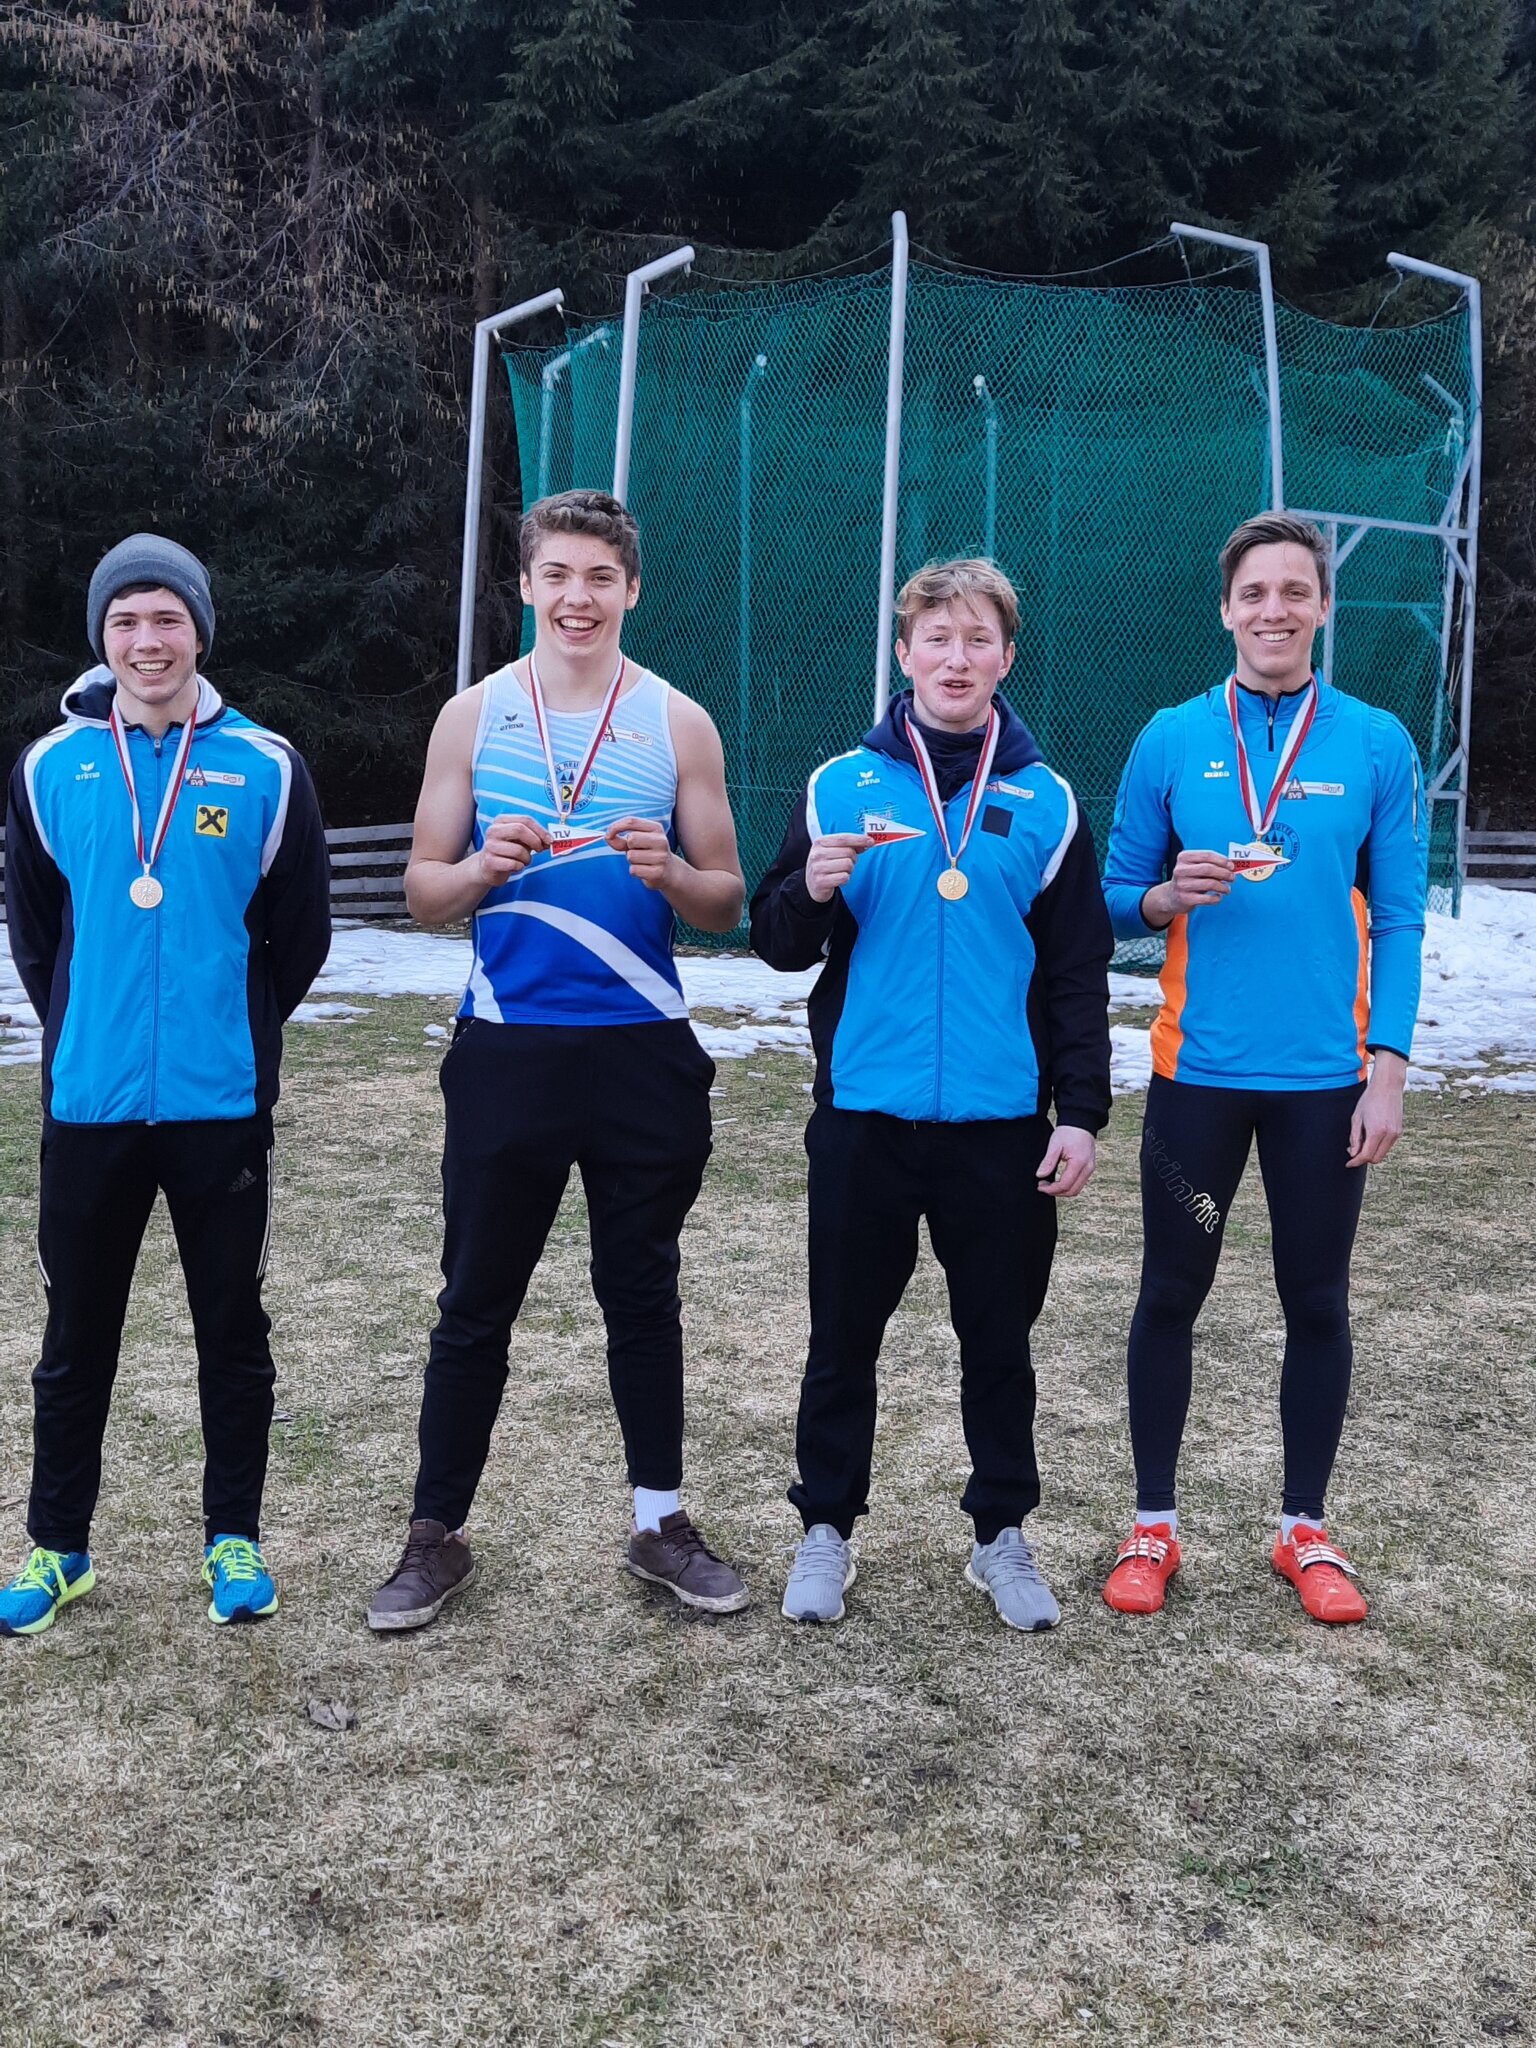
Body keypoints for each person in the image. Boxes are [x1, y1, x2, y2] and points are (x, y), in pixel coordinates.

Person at [367, 489, 750, 1631]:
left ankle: (659, 1519)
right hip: (508, 1053)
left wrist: (672, 876)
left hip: (640, 1053)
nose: (577, 597)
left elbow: (728, 899)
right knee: (475, 1300)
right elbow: (422, 893)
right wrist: (482, 867)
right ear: (526, 586)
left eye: (599, 577)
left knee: (643, 1294)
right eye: (557, 575)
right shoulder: (472, 718)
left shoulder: (679, 721)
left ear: (632, 588)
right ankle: (435, 1534)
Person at [750, 558, 1112, 1631]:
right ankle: (826, 1525)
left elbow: (1075, 971)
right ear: (904, 654)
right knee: (841, 1336)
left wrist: (1082, 1112)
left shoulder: (1045, 801)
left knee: (999, 1340)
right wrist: (810, 888)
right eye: (937, 640)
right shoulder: (837, 786)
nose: (957, 659)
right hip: (865, 1117)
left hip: (1002, 1127)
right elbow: (773, 939)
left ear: (1007, 656)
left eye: (979, 640)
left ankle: (1000, 1530)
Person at [1099, 513, 1427, 1625]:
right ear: (1225, 607)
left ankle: (1304, 1529)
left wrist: (1388, 1066)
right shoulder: (1171, 737)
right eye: (1254, 593)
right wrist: (1160, 899)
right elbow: (1106, 901)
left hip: (1326, 1080)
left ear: (1322, 607)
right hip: (1198, 1074)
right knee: (1168, 1297)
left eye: (1295, 591)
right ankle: (1153, 1525)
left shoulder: (1376, 740)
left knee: (1317, 1300)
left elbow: (1400, 919)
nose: (1274, 610)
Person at [1, 534, 331, 1634]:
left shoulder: (265, 765)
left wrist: (230, 1032)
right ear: (104, 635)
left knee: (231, 1327)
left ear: (199, 630)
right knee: (73, 1335)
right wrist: (83, 1034)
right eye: (127, 620)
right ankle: (58, 1548)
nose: (148, 640)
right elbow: (41, 936)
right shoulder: (52, 767)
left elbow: (299, 935)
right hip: (89, 1106)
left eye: (167, 619)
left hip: (217, 1105)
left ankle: (231, 1536)